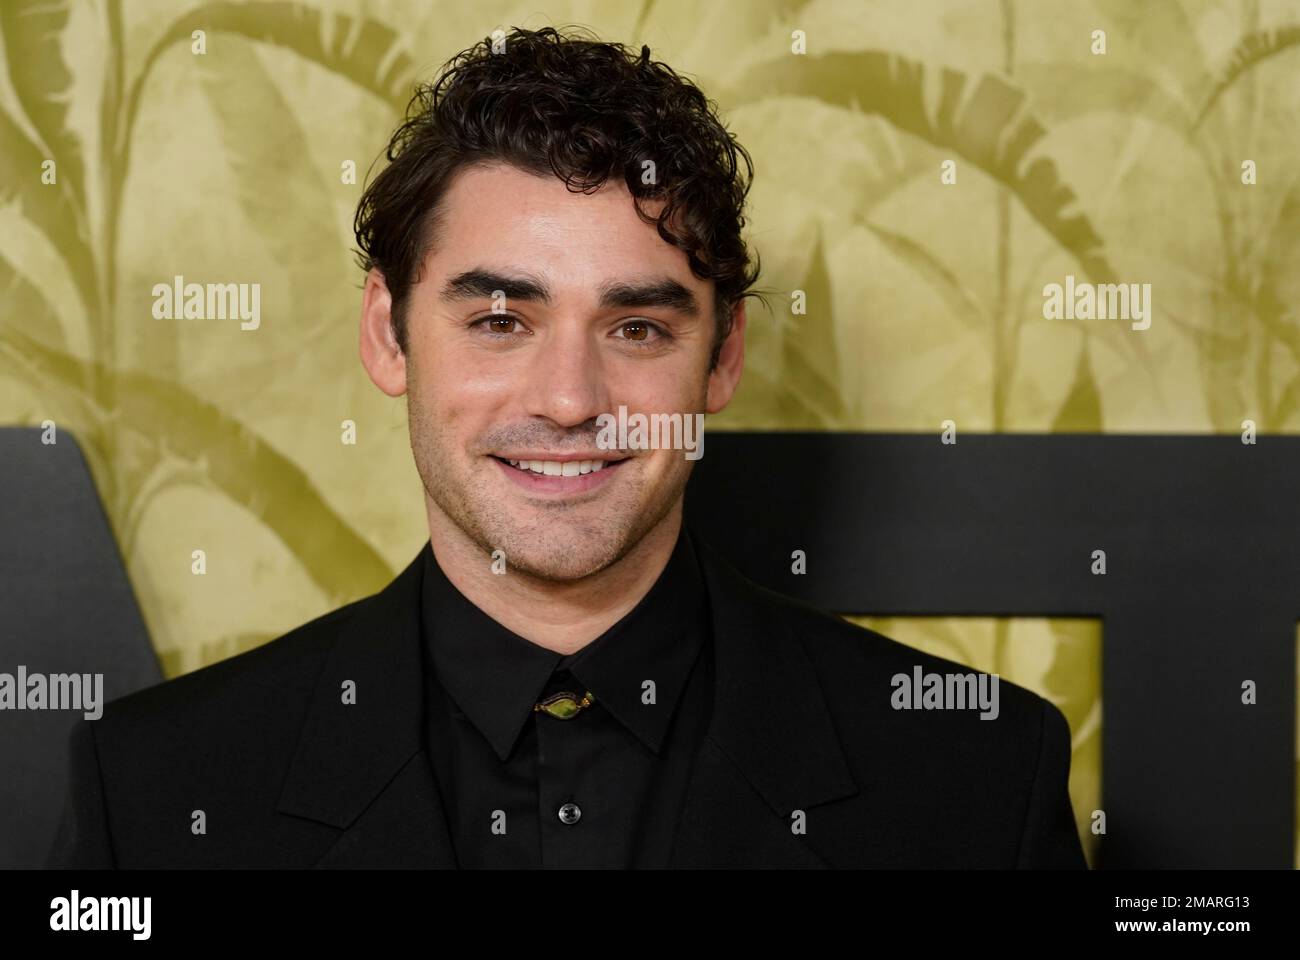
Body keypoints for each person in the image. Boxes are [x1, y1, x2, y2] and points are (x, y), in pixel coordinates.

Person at [47, 25, 1086, 869]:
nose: (568, 399)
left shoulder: (979, 779)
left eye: (637, 328)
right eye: (500, 320)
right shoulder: (156, 795)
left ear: (721, 359)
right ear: (387, 334)